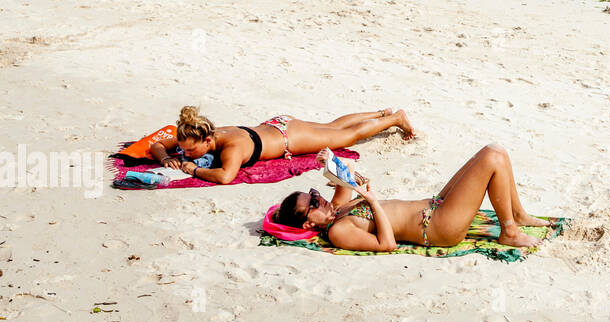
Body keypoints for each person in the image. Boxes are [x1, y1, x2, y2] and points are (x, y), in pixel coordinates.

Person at [276, 145, 550, 250]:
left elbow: (347, 171)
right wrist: (372, 202)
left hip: (435, 205)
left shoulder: (336, 208)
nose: (317, 198)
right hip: (436, 227)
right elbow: (387, 244)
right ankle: (509, 232)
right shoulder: (339, 231)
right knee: (491, 158)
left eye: (313, 194)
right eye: (311, 203)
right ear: (308, 224)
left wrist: (330, 160)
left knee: (493, 152)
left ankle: (518, 214)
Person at [149, 105, 415, 184]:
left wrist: (192, 169)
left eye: (190, 150)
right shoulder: (200, 131)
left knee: (347, 136)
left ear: (207, 141)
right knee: (332, 126)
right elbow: (156, 144)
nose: (185, 152)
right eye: (183, 148)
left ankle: (394, 119)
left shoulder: (232, 148)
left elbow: (225, 176)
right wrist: (164, 158)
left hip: (290, 138)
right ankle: (380, 113)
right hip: (276, 124)